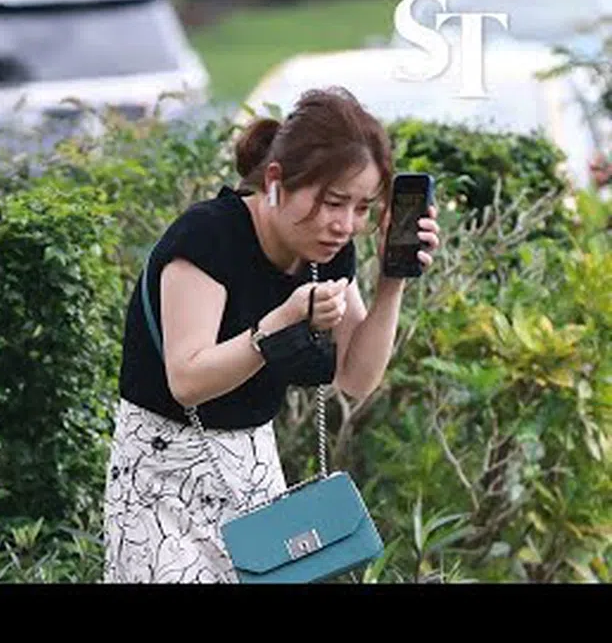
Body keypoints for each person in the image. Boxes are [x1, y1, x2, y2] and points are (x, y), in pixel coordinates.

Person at [102, 87, 441, 583]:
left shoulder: (327, 254)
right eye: (332, 202)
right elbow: (187, 379)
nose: (345, 224)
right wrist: (279, 324)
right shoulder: (208, 236)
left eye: (363, 208)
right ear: (277, 181)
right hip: (163, 472)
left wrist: (393, 283)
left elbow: (356, 377)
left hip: (252, 469)